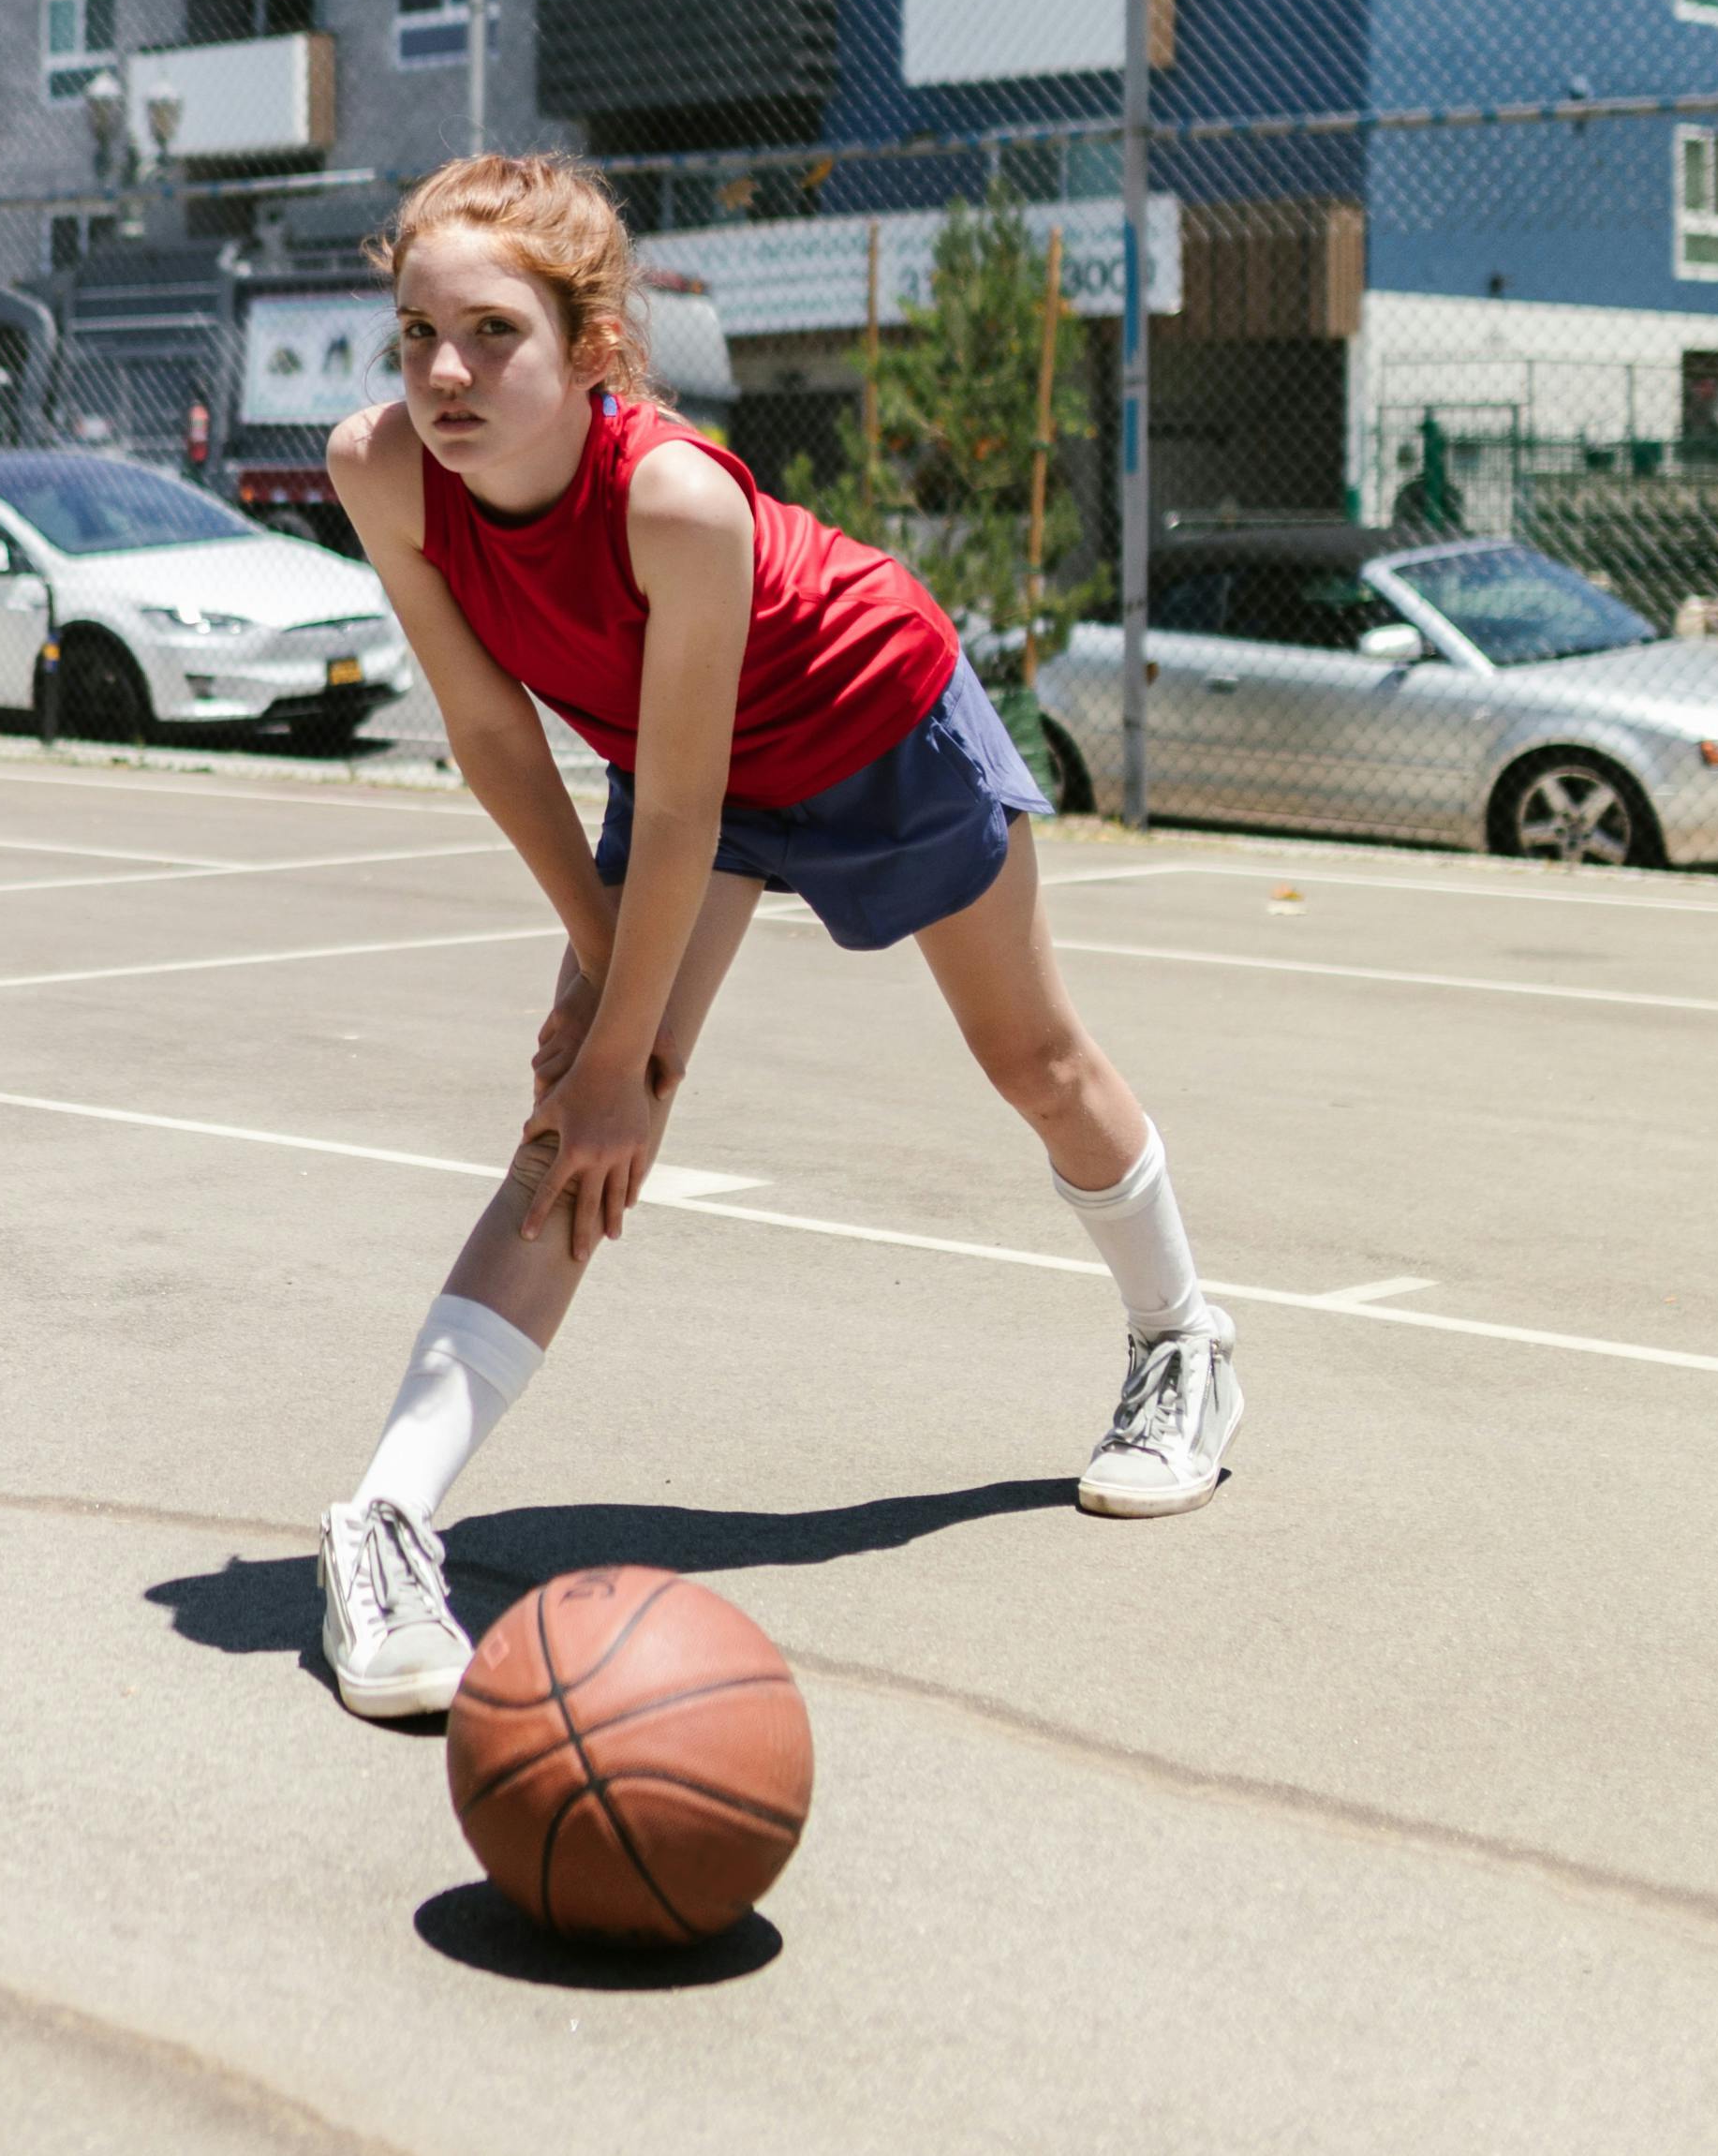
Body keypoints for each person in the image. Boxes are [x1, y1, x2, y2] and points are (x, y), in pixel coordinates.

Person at [314, 152, 1238, 1722]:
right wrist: (605, 984)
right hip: (698, 777)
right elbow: (490, 732)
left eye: (491, 335)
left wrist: (622, 1032)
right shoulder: (383, 470)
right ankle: (385, 1519)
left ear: (595, 348)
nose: (445, 374)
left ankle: (1183, 1340)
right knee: (580, 1128)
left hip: (880, 723)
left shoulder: (671, 496)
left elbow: (677, 813)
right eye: (416, 334)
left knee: (1032, 1060)